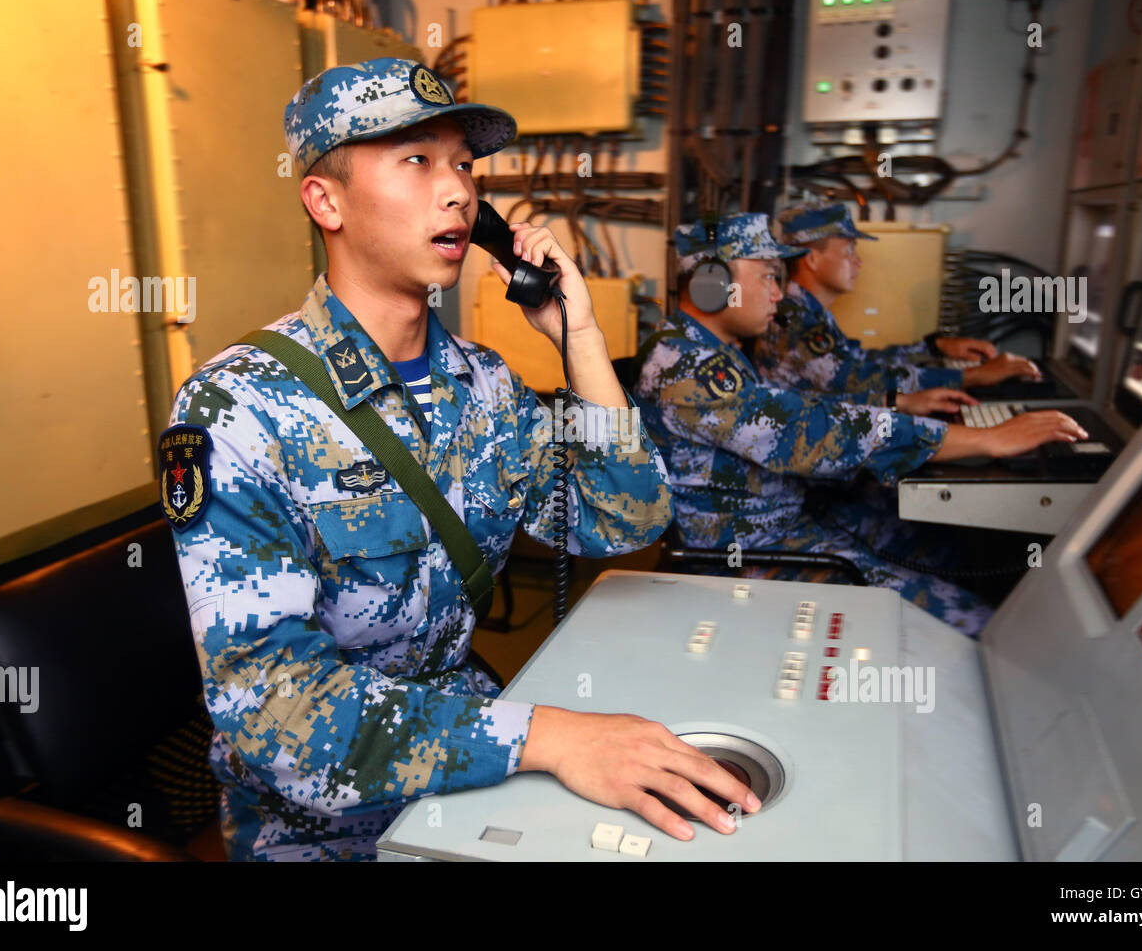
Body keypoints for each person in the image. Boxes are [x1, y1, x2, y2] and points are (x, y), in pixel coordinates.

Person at [159, 58, 757, 860]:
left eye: (465, 166)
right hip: (328, 828)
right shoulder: (238, 407)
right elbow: (278, 715)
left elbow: (625, 518)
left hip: (482, 763)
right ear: (325, 200)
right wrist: (547, 737)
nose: (458, 192)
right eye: (416, 160)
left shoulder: (485, 386)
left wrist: (578, 338)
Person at [634, 213, 1088, 638]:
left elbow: (800, 404)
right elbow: (806, 429)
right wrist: (985, 440)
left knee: (954, 556)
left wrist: (904, 405)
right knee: (975, 624)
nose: (779, 293)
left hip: (785, 522)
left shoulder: (708, 348)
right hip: (750, 554)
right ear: (712, 285)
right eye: (768, 275)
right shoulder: (688, 367)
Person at [754, 199, 1043, 400]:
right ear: (812, 259)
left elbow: (858, 361)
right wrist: (972, 377)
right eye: (848, 252)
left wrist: (934, 346)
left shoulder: (806, 311)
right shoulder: (795, 322)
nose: (858, 263)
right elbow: (857, 380)